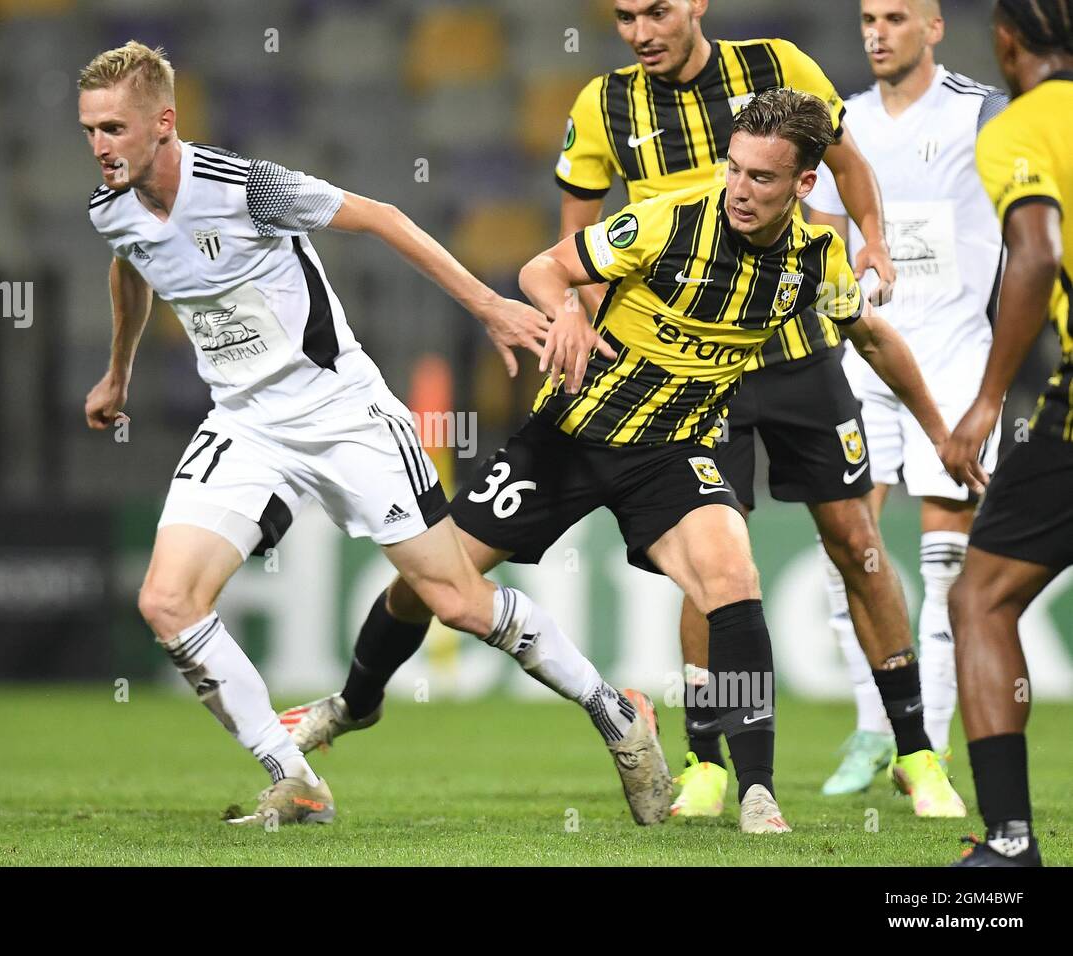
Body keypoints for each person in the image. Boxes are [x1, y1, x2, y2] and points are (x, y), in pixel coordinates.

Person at [283, 88, 986, 834]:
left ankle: (756, 790)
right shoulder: (670, 219)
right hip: (569, 439)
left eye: (763, 178)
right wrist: (570, 314)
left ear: (805, 185)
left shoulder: (816, 258)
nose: (740, 191)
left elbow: (872, 339)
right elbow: (543, 269)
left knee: (733, 579)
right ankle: (356, 702)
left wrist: (940, 426)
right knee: (424, 582)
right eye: (735, 169)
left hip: (674, 453)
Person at [78, 40, 670, 827]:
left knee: (455, 600)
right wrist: (117, 371)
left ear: (164, 122)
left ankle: (615, 711)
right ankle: (295, 781)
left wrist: (488, 304)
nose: (99, 146)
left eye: (114, 128)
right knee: (166, 601)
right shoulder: (110, 207)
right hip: (246, 426)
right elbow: (131, 264)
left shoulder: (246, 186)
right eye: (89, 129)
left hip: (343, 413)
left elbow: (382, 217)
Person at [803, 0, 1009, 796]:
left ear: (933, 27)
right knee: (846, 548)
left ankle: (936, 743)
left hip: (956, 361)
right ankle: (873, 728)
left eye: (894, 16)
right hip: (862, 359)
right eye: (865, 18)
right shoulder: (842, 120)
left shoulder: (981, 114)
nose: (875, 31)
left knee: (944, 564)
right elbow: (822, 240)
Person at [941, 0, 1073, 868]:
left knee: (980, 598)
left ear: (1005, 37)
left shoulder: (1021, 126)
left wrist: (987, 400)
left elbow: (1034, 252)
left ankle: (1011, 845)